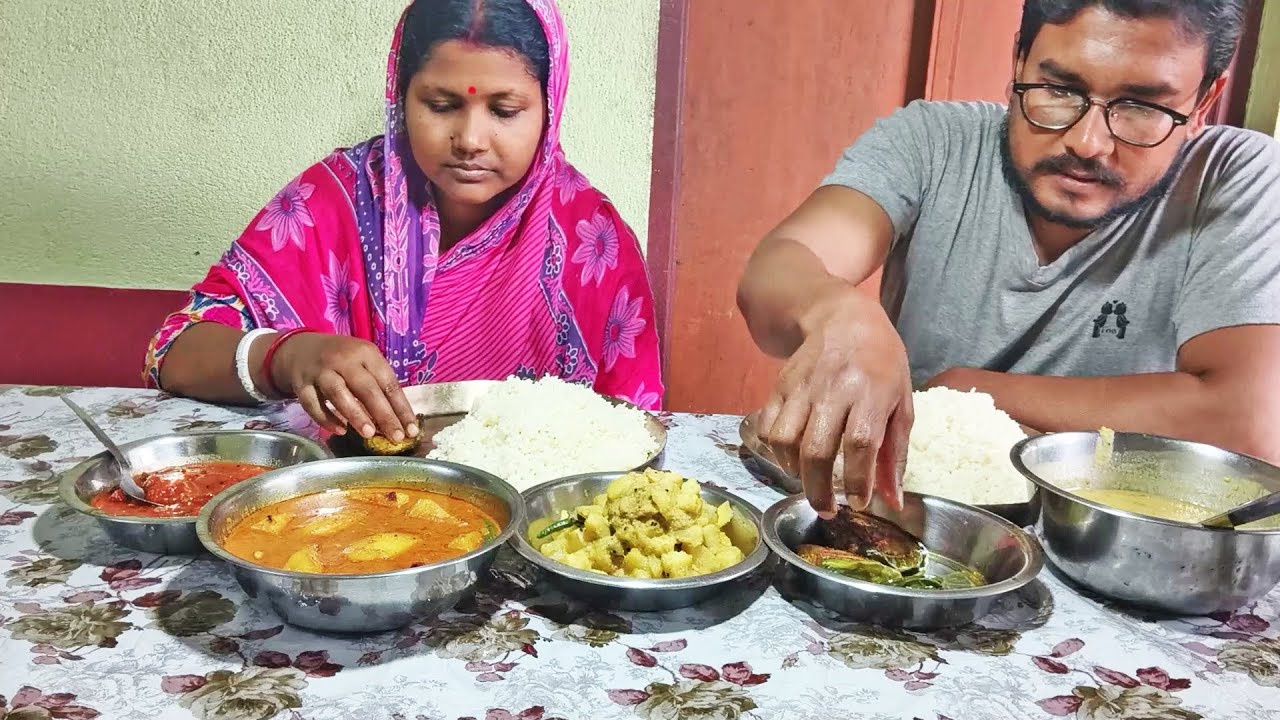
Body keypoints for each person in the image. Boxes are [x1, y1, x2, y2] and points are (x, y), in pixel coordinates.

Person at [736, 0, 1280, 517]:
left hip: (1101, 546)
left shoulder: (1238, 180)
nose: (1089, 142)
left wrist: (969, 390)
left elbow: (1245, 424)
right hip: (905, 522)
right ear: (1018, 59)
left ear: (1204, 100)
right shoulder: (934, 142)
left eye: (1141, 106)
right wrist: (835, 310)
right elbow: (777, 274)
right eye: (1059, 89)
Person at [145, 0, 664, 444]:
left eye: (505, 111)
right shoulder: (335, 201)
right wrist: (288, 356)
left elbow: (634, 430)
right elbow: (173, 352)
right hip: (343, 513)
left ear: (550, 111)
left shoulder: (592, 240)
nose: (470, 139)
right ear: (400, 96)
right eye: (440, 106)